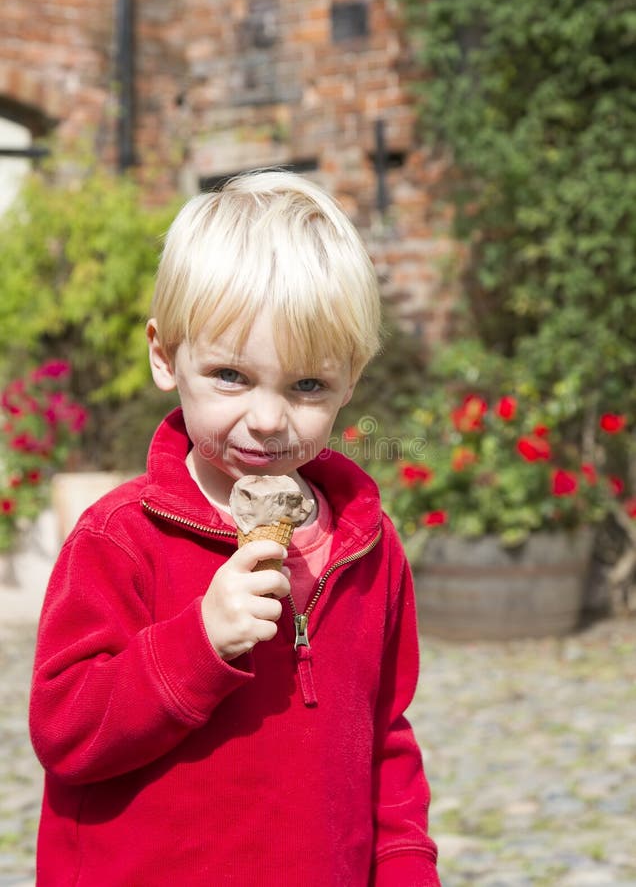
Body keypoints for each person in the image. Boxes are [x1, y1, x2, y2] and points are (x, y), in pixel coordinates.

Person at [30, 171, 440, 886]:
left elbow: (385, 739)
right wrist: (197, 642)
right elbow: (66, 730)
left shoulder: (367, 548)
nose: (268, 419)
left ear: (352, 380)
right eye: (230, 375)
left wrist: (407, 870)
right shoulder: (118, 539)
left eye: (307, 385)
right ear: (166, 355)